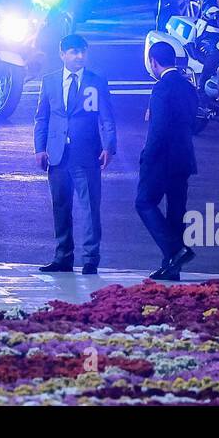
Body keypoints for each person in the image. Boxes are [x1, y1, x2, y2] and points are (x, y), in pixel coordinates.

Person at [33, 33, 116, 275]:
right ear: (62, 54)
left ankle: (90, 259)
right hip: (57, 155)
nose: (79, 56)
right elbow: (42, 118)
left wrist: (109, 146)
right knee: (60, 206)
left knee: (90, 207)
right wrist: (39, 148)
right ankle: (63, 257)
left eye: (82, 52)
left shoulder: (96, 81)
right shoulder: (49, 81)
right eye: (74, 52)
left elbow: (107, 117)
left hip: (87, 154)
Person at [136, 41, 199, 280]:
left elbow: (158, 129)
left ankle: (175, 250)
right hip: (184, 157)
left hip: (161, 158)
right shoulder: (188, 86)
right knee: (176, 211)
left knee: (144, 203)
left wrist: (146, 156)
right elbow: (193, 121)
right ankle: (172, 267)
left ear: (153, 61)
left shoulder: (161, 88)